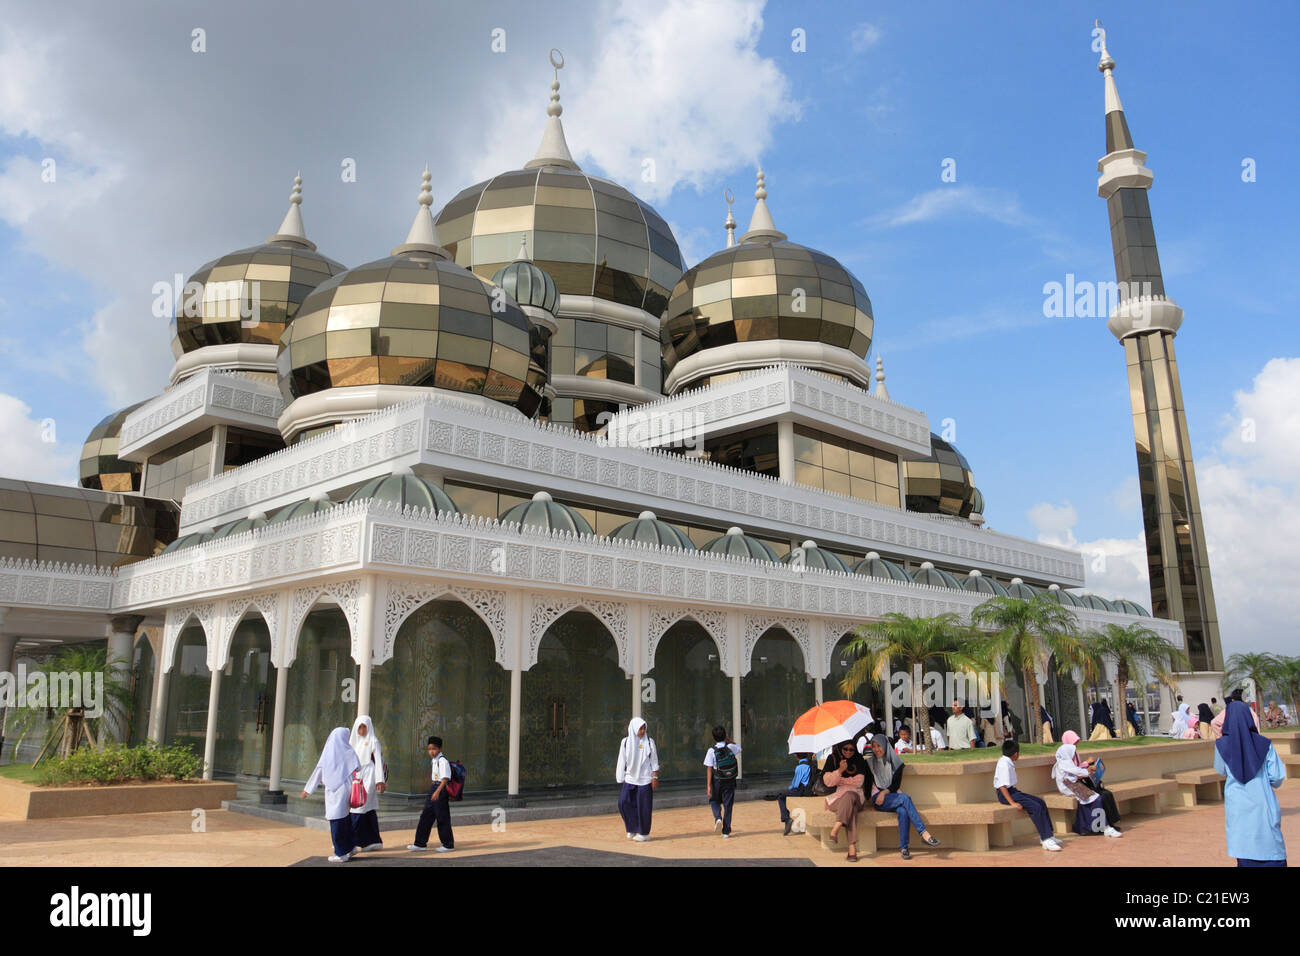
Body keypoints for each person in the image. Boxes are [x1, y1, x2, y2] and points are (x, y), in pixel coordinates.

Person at [1214, 699, 1287, 866]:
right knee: (1271, 848)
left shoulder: (1221, 745)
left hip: (1238, 806)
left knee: (1244, 850)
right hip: (1263, 803)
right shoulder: (1264, 744)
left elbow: (1221, 770)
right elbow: (1277, 777)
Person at [865, 733, 939, 860]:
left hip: (891, 796)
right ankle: (924, 833)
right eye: (874, 746)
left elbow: (895, 785)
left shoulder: (897, 763)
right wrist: (873, 798)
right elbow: (866, 787)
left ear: (885, 745)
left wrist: (884, 792)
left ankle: (904, 848)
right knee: (905, 798)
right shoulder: (869, 764)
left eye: (879, 746)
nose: (876, 749)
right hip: (879, 799)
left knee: (903, 811)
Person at [302, 726, 362, 862]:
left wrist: (307, 789)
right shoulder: (349, 751)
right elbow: (358, 767)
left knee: (336, 821)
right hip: (346, 790)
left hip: (333, 792)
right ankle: (351, 847)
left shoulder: (328, 752)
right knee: (345, 819)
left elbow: (318, 771)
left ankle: (341, 853)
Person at [994, 739, 1061, 851]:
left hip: (1013, 791)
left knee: (1041, 802)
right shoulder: (1004, 765)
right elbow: (1002, 786)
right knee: (1036, 807)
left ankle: (1050, 835)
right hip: (1006, 794)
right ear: (1015, 754)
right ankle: (1045, 839)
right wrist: (1012, 803)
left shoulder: (1006, 761)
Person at [1052, 732, 1122, 837]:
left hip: (1072, 784)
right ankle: (1105, 827)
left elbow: (1075, 770)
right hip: (1069, 786)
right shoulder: (1064, 763)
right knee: (1096, 798)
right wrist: (1088, 770)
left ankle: (1101, 826)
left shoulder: (1066, 762)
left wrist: (1087, 770)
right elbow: (1075, 771)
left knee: (1096, 797)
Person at [822, 740, 867, 862]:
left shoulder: (859, 760)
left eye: (851, 749)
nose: (848, 752)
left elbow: (859, 782)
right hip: (837, 799)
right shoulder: (833, 759)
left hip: (857, 797)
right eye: (845, 749)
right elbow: (827, 781)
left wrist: (839, 780)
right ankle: (852, 848)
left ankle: (836, 828)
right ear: (840, 748)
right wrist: (840, 771)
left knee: (850, 795)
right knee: (850, 808)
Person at [408, 735, 454, 852]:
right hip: (434, 788)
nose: (431, 752)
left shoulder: (443, 761)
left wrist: (437, 792)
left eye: (434, 749)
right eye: (429, 749)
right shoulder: (434, 761)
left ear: (440, 749)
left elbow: (445, 779)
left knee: (442, 817)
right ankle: (420, 843)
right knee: (426, 816)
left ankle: (448, 844)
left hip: (440, 789)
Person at [616, 717, 659, 842]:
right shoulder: (625, 742)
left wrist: (654, 777)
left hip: (645, 779)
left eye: (644, 728)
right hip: (630, 778)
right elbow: (621, 760)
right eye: (640, 728)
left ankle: (644, 833)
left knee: (644, 807)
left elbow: (654, 761)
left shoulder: (650, 742)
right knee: (623, 803)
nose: (643, 731)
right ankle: (632, 828)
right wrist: (620, 777)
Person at [349, 715, 386, 853]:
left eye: (365, 727)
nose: (362, 730)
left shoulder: (373, 741)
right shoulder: (354, 742)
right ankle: (371, 841)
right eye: (360, 727)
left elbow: (378, 762)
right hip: (356, 778)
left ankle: (350, 842)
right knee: (366, 810)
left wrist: (379, 780)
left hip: (369, 777)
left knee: (359, 808)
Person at [703, 725, 741, 838]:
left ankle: (718, 818)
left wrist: (709, 785)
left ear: (713, 737)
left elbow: (709, 768)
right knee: (728, 805)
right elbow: (739, 748)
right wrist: (729, 740)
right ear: (725, 735)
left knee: (714, 800)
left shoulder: (711, 751)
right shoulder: (731, 747)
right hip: (730, 780)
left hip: (717, 780)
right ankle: (726, 831)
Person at [769, 753, 813, 835]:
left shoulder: (800, 767)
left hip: (801, 791)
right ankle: (787, 820)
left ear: (796, 756)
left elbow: (795, 785)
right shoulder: (811, 764)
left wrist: (788, 789)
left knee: (781, 796)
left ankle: (786, 819)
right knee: (784, 793)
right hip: (809, 790)